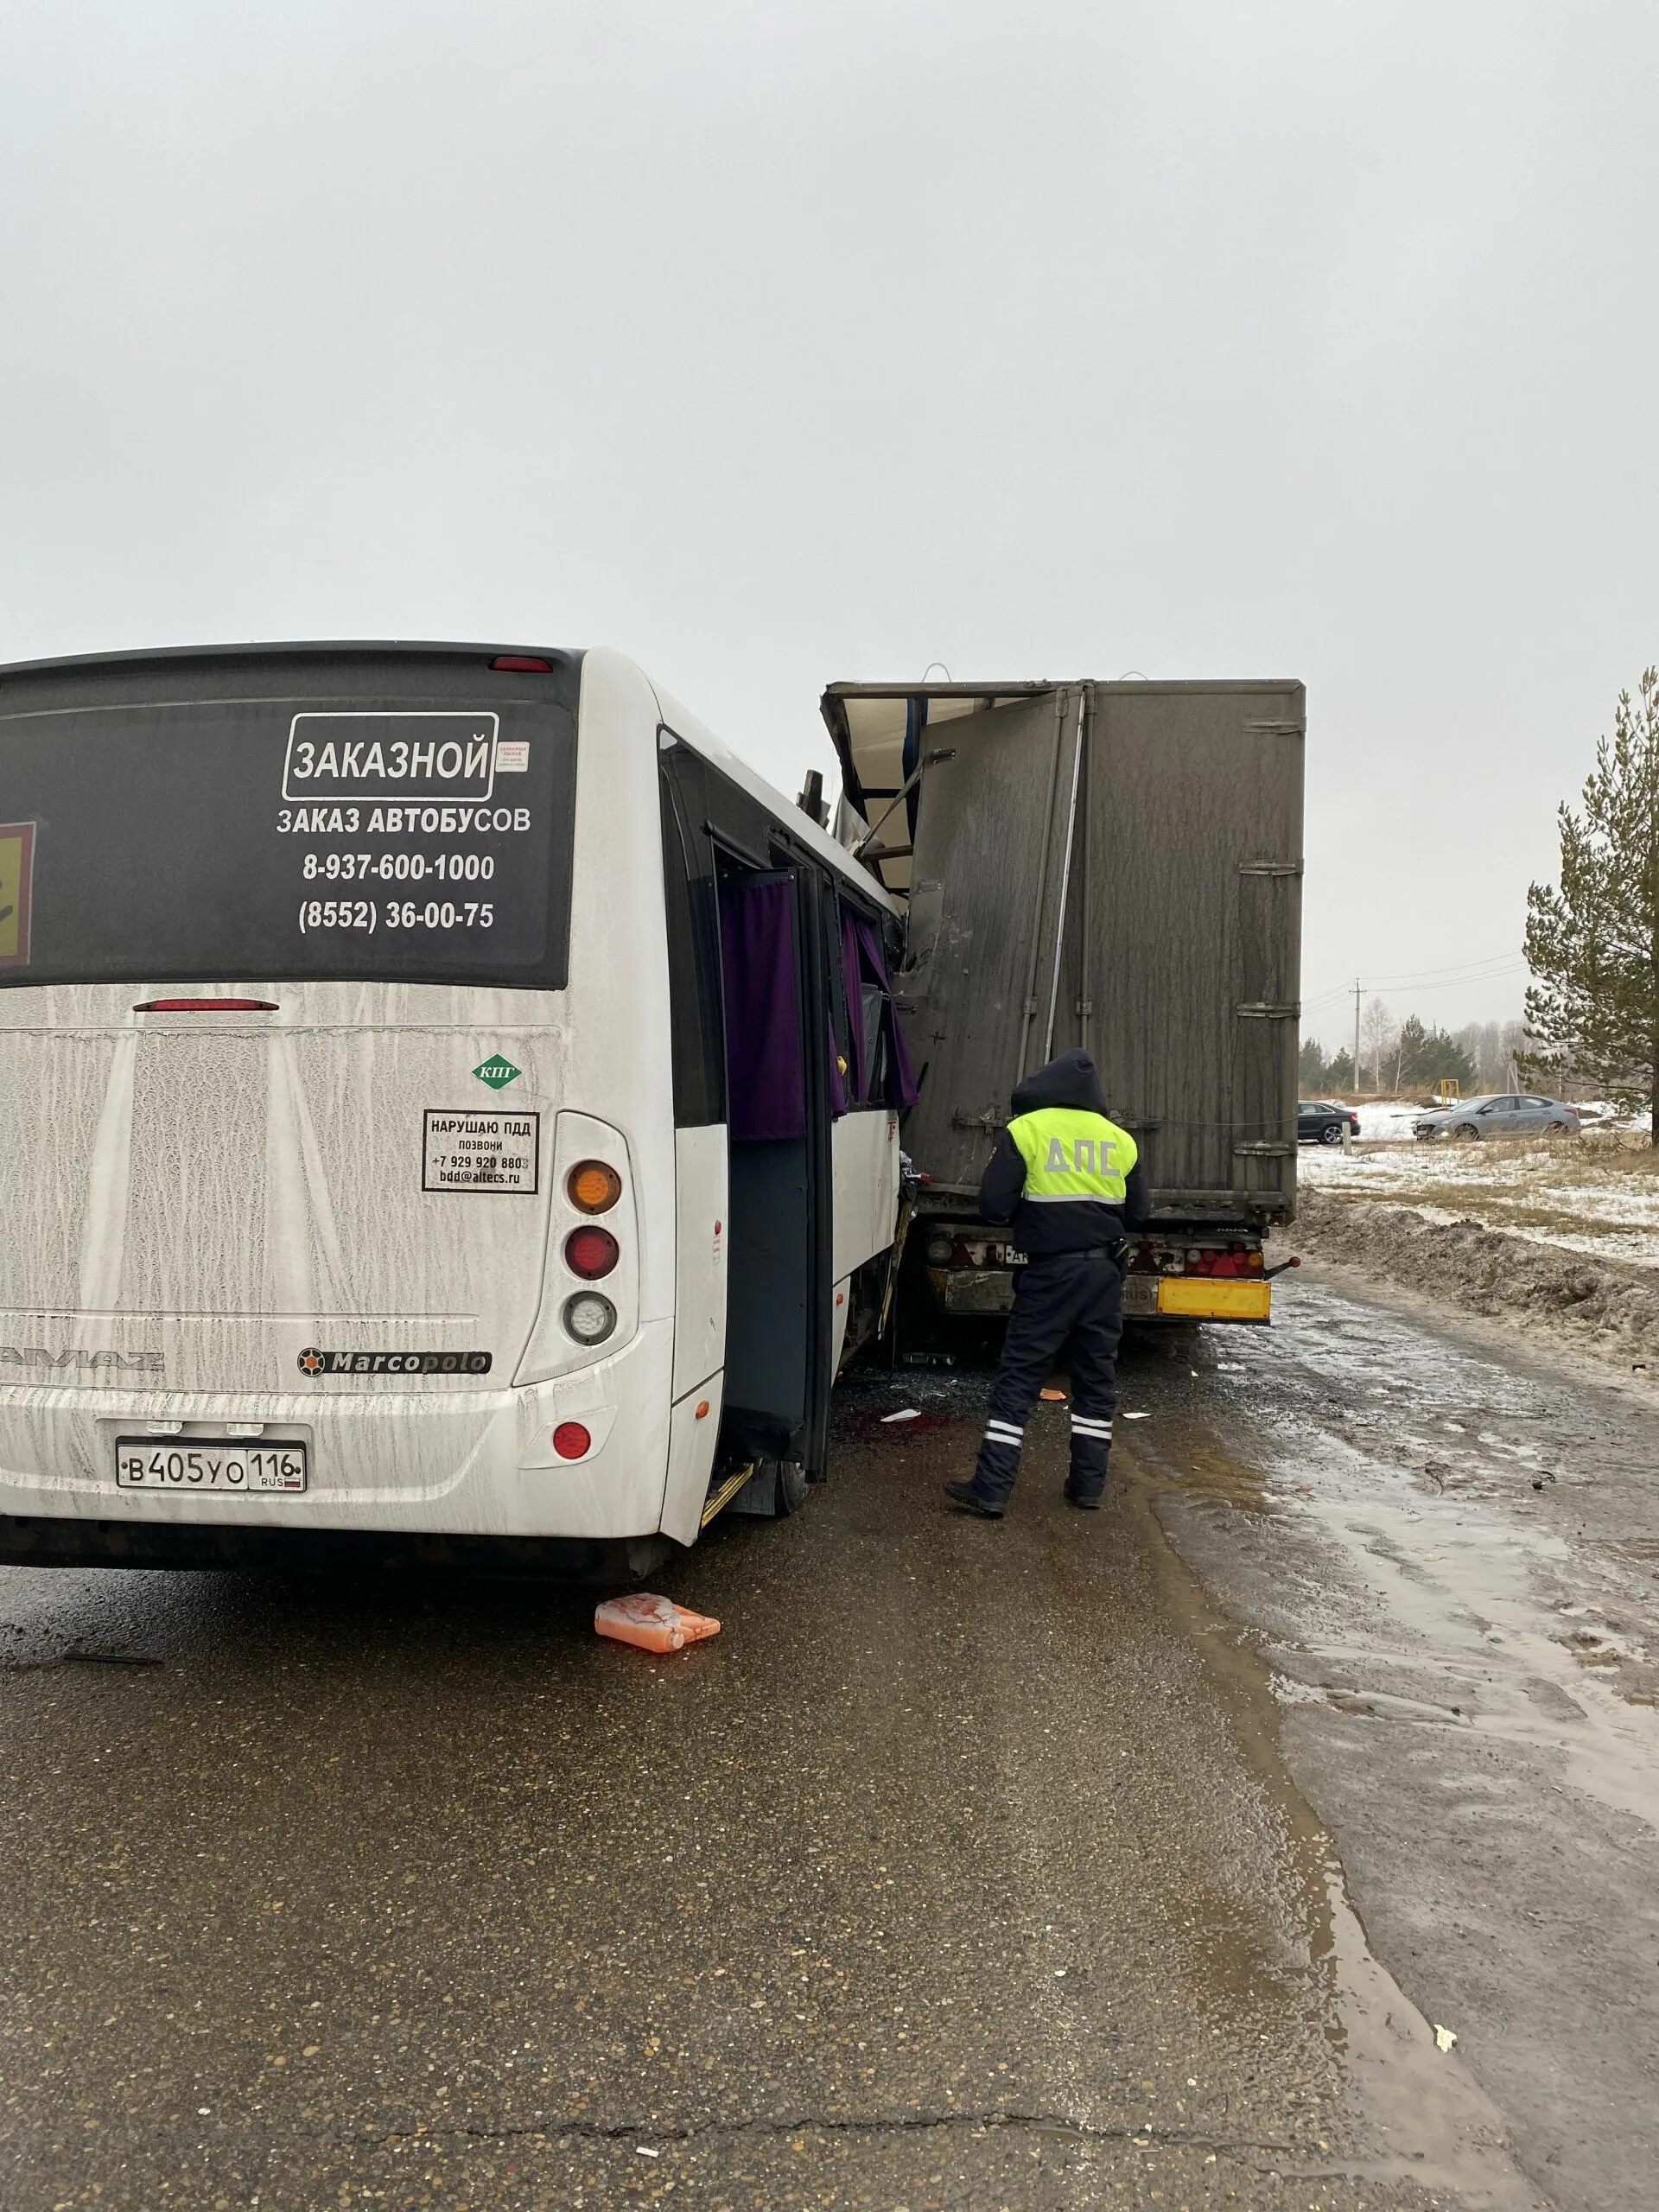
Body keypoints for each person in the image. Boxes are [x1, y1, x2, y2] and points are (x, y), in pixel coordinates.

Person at [944, 1047, 1149, 1518]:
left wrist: (1036, 1218)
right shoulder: (1120, 1139)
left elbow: (993, 1206)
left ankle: (991, 1490)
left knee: (1020, 1378)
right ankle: (1087, 1488)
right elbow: (1138, 1213)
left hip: (1050, 1273)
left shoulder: (1027, 1130)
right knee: (1096, 1382)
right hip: (1103, 1275)